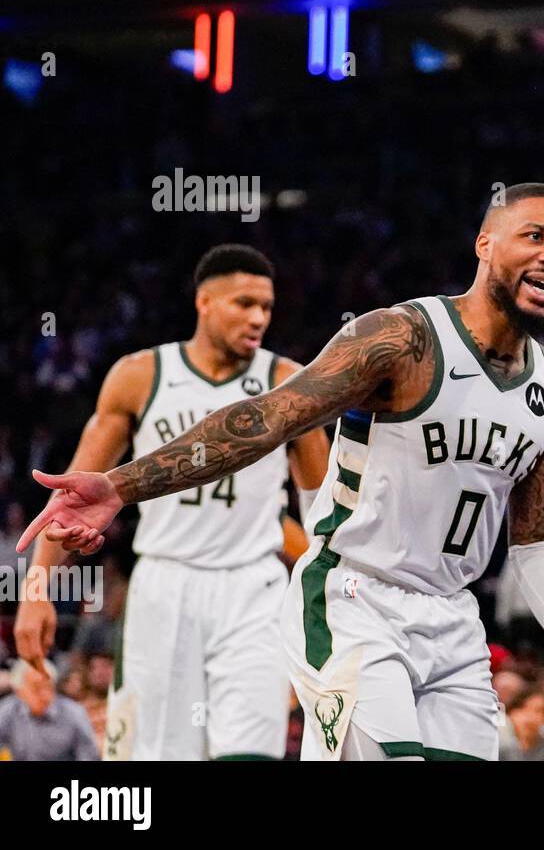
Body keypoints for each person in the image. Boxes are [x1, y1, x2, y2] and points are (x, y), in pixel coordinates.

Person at [20, 184, 544, 761]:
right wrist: (120, 485)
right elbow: (264, 421)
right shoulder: (401, 338)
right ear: (484, 244)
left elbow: (536, 545)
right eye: (534, 235)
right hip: (355, 598)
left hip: (454, 616)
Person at [15, 244, 330, 760]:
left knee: (251, 753)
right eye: (244, 303)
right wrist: (36, 588)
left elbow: (322, 515)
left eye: (267, 308)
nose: (258, 318)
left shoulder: (288, 383)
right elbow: (70, 496)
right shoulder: (140, 376)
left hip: (254, 588)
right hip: (165, 584)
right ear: (204, 302)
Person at [0, 659, 99, 761]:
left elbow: (89, 755)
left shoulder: (74, 713)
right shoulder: (7, 710)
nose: (44, 694)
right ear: (19, 691)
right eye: (37, 688)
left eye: (48, 687)